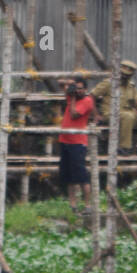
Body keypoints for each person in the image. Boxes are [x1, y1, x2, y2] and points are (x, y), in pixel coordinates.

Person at [92, 60, 137, 155]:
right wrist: (96, 114)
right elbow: (91, 96)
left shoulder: (131, 86)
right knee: (128, 116)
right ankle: (124, 147)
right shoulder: (109, 83)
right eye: (123, 74)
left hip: (128, 115)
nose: (125, 77)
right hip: (111, 114)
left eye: (128, 75)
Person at [59, 76, 94, 214]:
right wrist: (70, 84)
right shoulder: (72, 96)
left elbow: (74, 114)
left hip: (77, 142)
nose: (77, 91)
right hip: (65, 140)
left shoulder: (87, 101)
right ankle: (72, 205)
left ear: (85, 90)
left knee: (81, 176)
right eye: (76, 89)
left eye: (80, 89)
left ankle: (87, 205)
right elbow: (60, 82)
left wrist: (72, 96)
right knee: (69, 176)